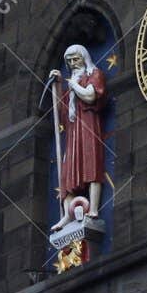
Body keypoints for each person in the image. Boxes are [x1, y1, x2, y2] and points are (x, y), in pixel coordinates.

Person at [51, 44, 107, 224]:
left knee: (92, 164)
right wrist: (58, 85)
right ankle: (68, 214)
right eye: (69, 61)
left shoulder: (94, 75)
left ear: (84, 58)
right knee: (68, 171)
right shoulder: (71, 85)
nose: (73, 64)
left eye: (76, 59)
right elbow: (62, 110)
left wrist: (74, 85)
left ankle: (93, 208)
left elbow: (90, 96)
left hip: (89, 125)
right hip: (74, 131)